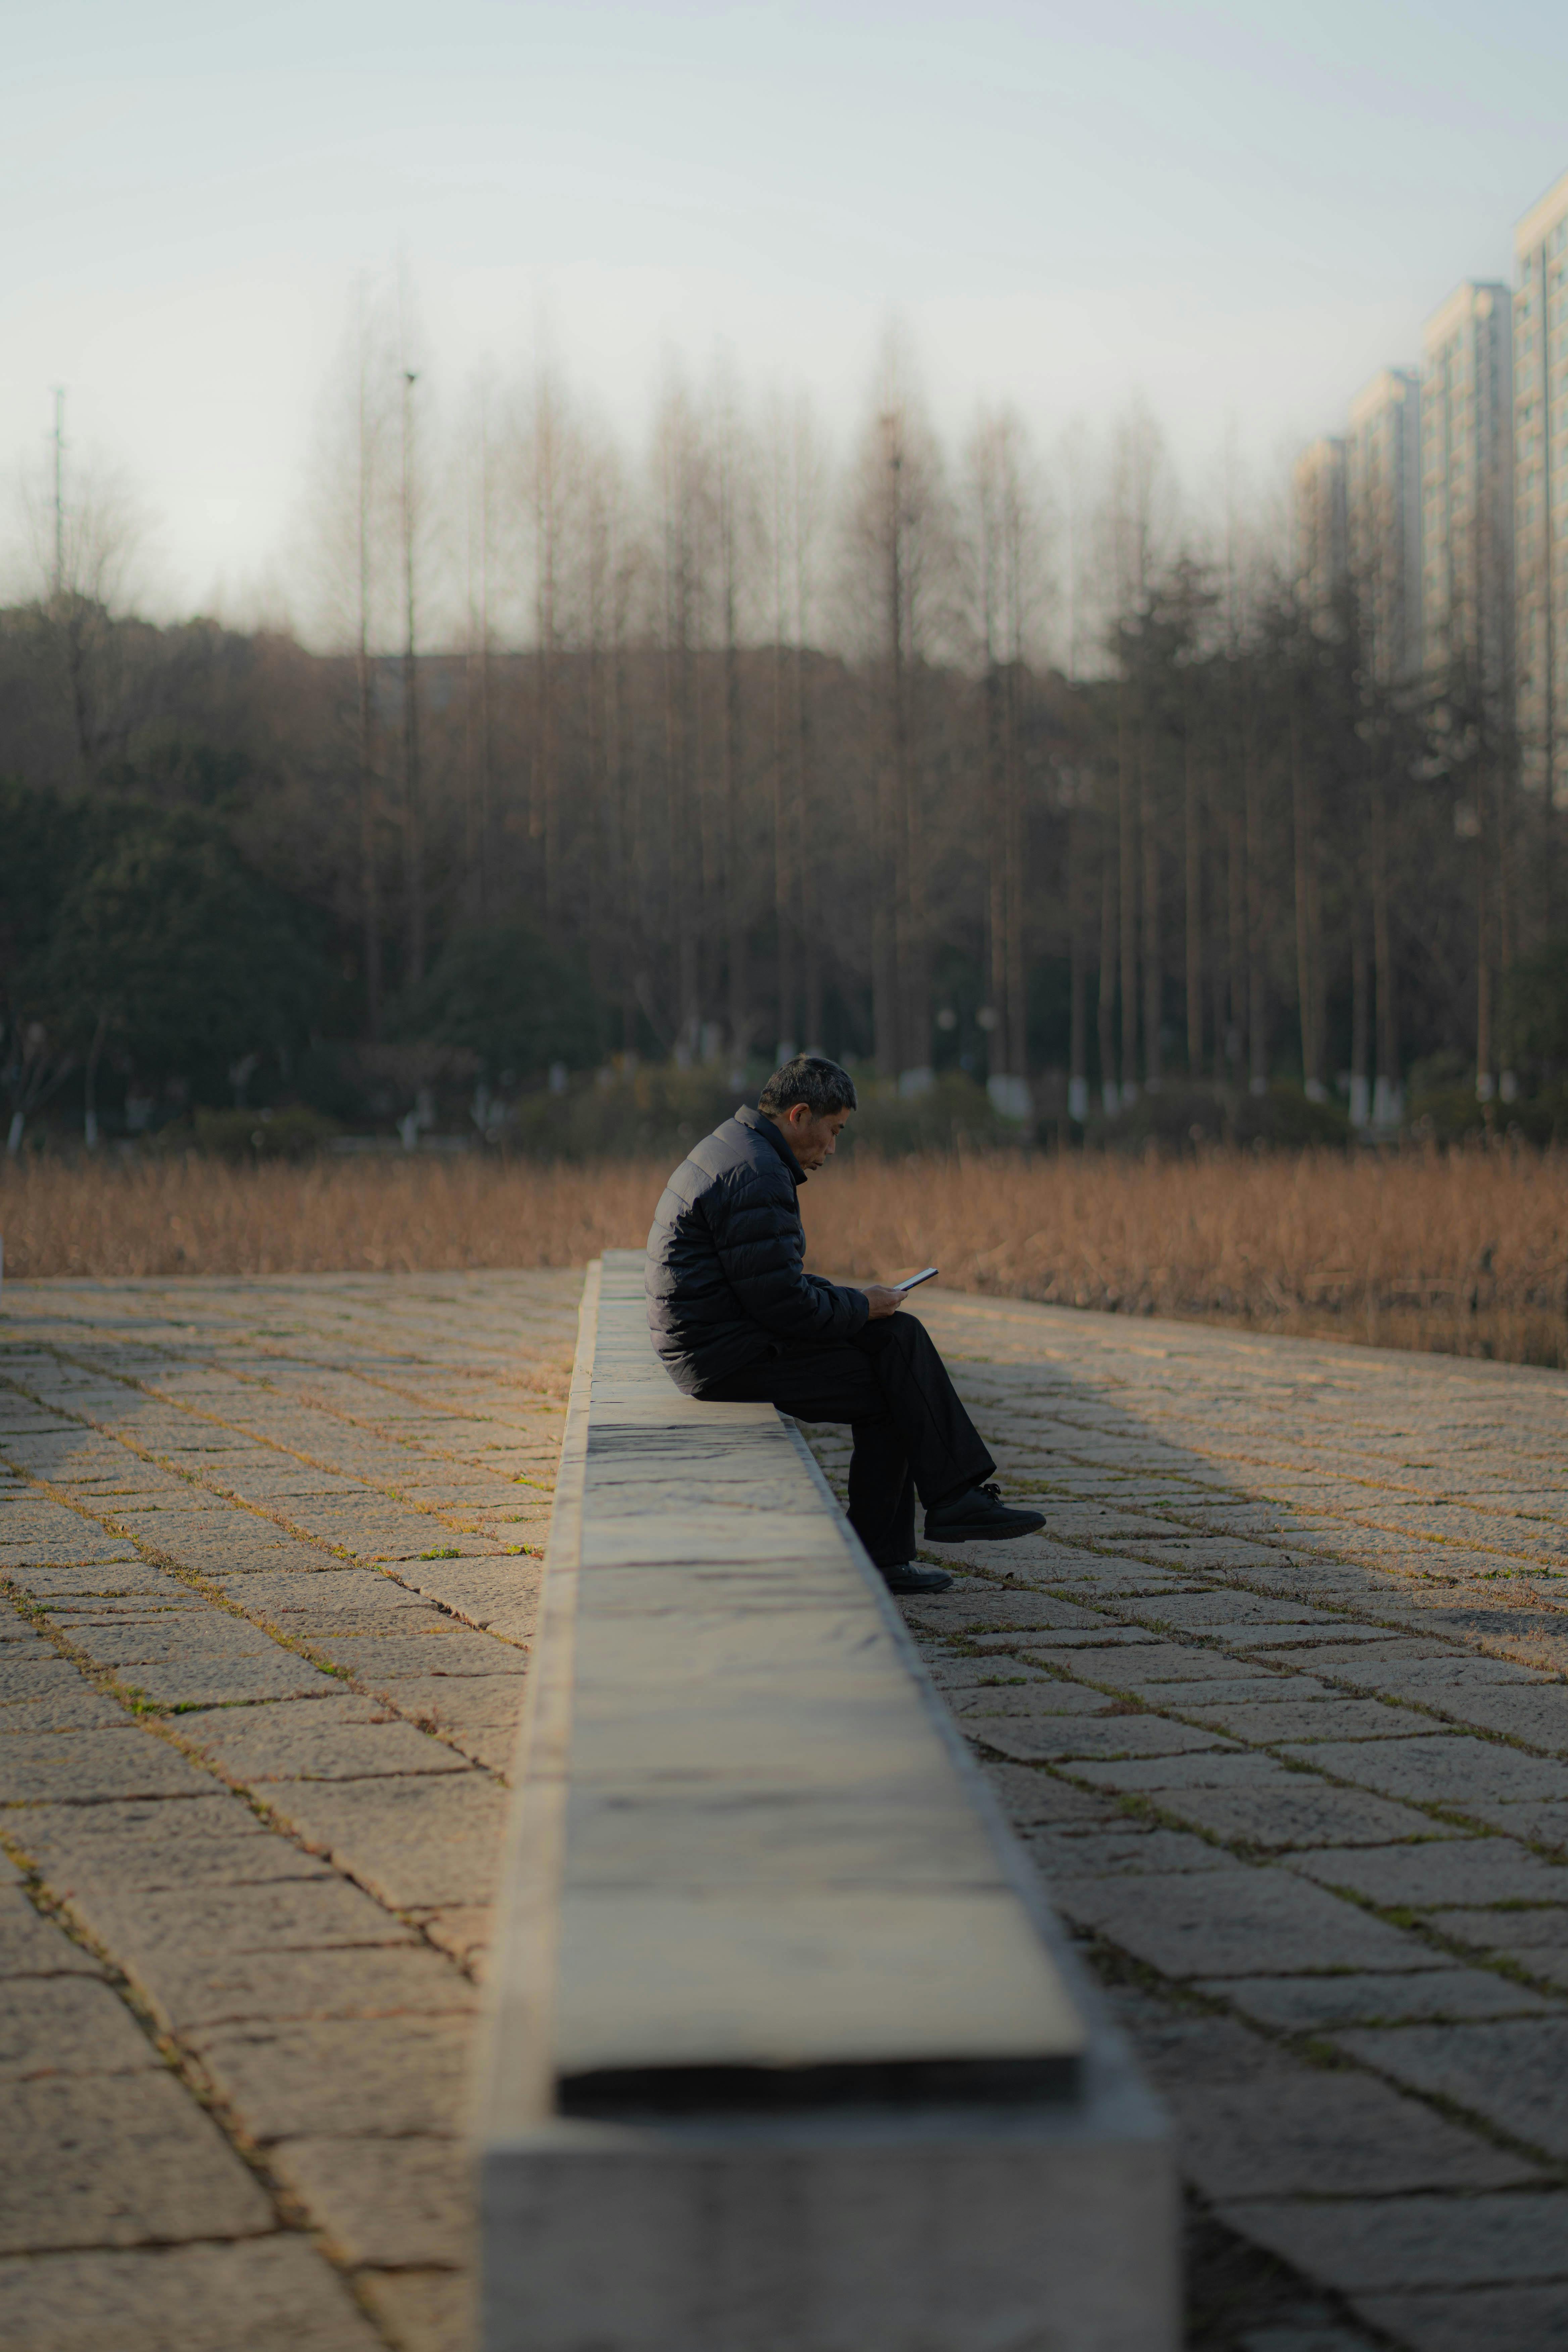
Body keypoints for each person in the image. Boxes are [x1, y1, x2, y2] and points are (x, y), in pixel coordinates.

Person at [645, 1052, 1044, 1594]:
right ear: (800, 1115)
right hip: (722, 1357)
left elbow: (769, 1285)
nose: (832, 1150)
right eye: (833, 1132)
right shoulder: (757, 1174)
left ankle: (952, 1502)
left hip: (721, 1336)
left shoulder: (740, 1149)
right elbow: (783, 1305)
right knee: (892, 1389)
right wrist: (860, 1306)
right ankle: (906, 1539)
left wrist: (861, 1303)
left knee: (898, 1337)